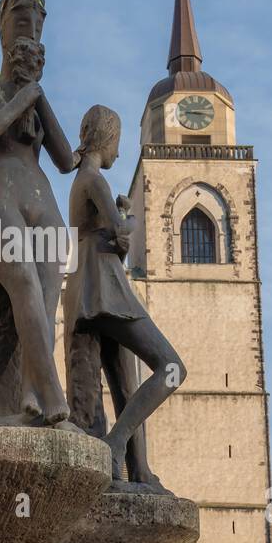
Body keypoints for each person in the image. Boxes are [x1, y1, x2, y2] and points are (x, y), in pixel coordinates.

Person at [0, 0, 75, 425]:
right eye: (21, 20)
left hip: (42, 198)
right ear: (5, 35)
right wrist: (23, 99)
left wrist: (39, 100)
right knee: (25, 287)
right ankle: (52, 392)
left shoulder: (37, 96)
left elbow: (66, 160)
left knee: (47, 301)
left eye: (37, 24)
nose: (30, 30)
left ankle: (31, 390)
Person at [63, 104, 186, 488]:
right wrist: (130, 215)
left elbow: (110, 239)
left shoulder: (81, 182)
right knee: (171, 368)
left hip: (90, 285)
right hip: (106, 287)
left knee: (126, 386)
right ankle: (115, 444)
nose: (119, 153)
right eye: (118, 144)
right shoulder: (94, 180)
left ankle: (140, 469)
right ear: (108, 138)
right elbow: (121, 235)